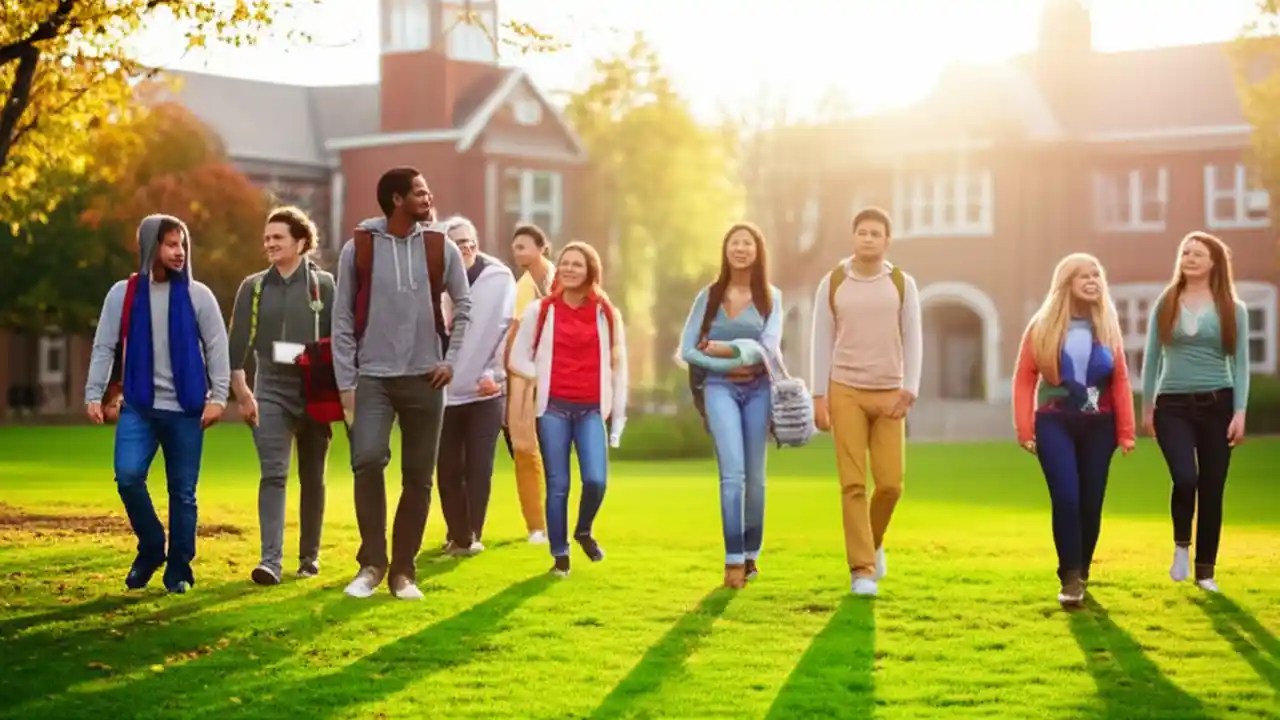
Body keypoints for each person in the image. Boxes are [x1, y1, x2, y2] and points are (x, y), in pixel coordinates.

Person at [332, 167, 472, 600]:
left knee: (418, 476)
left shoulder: (439, 246)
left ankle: (403, 572)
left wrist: (451, 361)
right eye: (419, 192)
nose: (428, 198)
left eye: (428, 191)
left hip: (426, 380)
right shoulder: (360, 248)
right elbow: (340, 319)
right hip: (373, 377)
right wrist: (346, 381)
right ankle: (372, 564)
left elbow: (464, 306)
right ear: (396, 199)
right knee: (368, 460)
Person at [84, 214, 230, 594]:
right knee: (128, 477)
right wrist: (93, 393)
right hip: (139, 407)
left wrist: (219, 397)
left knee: (182, 492)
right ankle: (151, 548)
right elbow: (104, 346)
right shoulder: (124, 294)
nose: (179, 252)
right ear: (151, 246)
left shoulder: (199, 296)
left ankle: (179, 568)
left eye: (182, 244)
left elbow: (217, 348)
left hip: (185, 411)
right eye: (169, 244)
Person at [810, 206, 922, 597]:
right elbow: (821, 337)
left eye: (876, 233)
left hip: (891, 391)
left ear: (887, 241)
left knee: (891, 483)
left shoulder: (902, 284)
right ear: (853, 237)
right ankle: (861, 570)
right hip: (846, 389)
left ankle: (872, 542)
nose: (868, 238)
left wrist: (910, 387)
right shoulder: (835, 281)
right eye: (862, 232)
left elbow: (913, 336)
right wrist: (818, 395)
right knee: (853, 483)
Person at [1012, 253, 1135, 608]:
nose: (1092, 279)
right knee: (1067, 497)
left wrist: (1126, 431)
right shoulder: (1043, 326)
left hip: (1101, 425)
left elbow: (1122, 380)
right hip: (1054, 421)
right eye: (1083, 275)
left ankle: (1081, 570)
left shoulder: (1108, 326)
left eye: (1096, 273)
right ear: (1066, 282)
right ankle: (1068, 576)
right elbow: (1024, 378)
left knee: (1091, 502)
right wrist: (1025, 428)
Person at [227, 207, 336, 585]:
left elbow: (340, 342)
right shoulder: (253, 287)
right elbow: (238, 343)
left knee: (313, 477)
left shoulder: (325, 286)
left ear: (301, 242)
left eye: (278, 237)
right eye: (267, 238)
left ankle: (309, 558)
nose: (269, 244)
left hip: (316, 388)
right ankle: (269, 561)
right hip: (270, 386)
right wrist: (242, 392)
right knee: (274, 474)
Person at [508, 241, 627, 578]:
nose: (570, 269)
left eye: (578, 264)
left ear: (591, 270)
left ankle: (584, 530)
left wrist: (617, 417)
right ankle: (560, 556)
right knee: (558, 484)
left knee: (596, 480)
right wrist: (540, 374)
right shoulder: (541, 311)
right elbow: (518, 358)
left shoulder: (606, 312)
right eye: (565, 263)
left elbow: (620, 367)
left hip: (590, 409)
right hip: (554, 409)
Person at [1141, 231, 1251, 594]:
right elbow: (1152, 356)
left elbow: (1241, 364)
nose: (1189, 258)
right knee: (1185, 478)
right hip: (1172, 406)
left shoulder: (1232, 308)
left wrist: (1240, 412)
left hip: (1218, 404)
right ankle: (1181, 547)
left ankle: (1206, 572)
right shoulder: (1166, 301)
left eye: (1197, 253)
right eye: (1185, 251)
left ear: (1213, 262)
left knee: (1213, 488)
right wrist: (1147, 406)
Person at [679, 222, 782, 589]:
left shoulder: (771, 297)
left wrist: (725, 349)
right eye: (734, 243)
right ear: (725, 250)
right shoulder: (708, 297)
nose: (741, 249)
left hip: (759, 391)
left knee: (755, 478)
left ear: (758, 251)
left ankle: (753, 552)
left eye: (748, 243)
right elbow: (687, 349)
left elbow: (768, 347)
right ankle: (733, 558)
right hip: (719, 388)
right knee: (732, 474)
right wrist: (729, 365)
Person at [436, 216, 517, 556]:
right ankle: (457, 535)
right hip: (442, 393)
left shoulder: (499, 278)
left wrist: (496, 374)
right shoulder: (432, 280)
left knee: (479, 466)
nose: (466, 248)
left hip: (486, 391)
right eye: (457, 243)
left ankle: (471, 534)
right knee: (448, 467)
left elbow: (508, 330)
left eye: (470, 241)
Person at [504, 223, 556, 544]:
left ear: (542, 247)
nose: (518, 252)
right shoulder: (521, 287)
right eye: (515, 248)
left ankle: (559, 519)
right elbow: (516, 331)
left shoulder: (563, 279)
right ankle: (536, 525)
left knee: (555, 448)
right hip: (525, 374)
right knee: (524, 447)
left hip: (559, 374)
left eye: (523, 246)